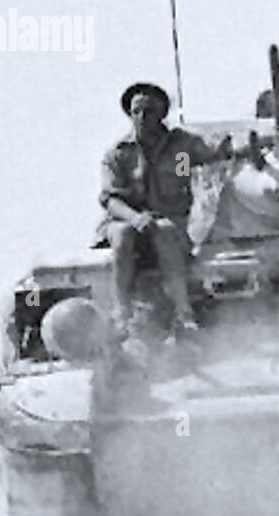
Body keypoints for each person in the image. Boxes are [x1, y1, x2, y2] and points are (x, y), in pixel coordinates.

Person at [96, 82, 240, 335]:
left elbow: (213, 152)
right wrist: (135, 218)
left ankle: (184, 313)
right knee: (121, 236)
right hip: (126, 222)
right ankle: (122, 313)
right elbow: (110, 199)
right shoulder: (118, 154)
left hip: (169, 224)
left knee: (164, 231)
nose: (141, 118)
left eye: (149, 111)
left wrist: (242, 147)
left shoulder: (181, 145)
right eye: (136, 111)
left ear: (162, 113)